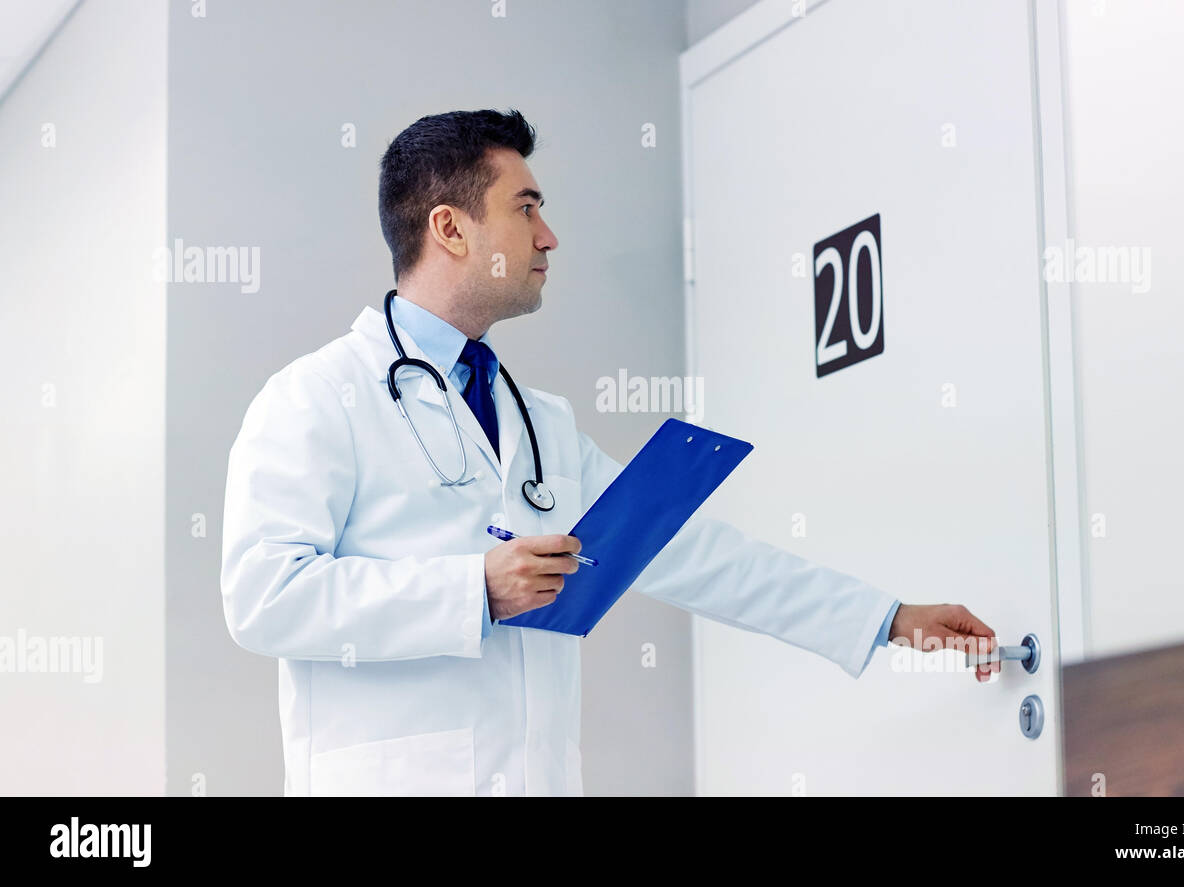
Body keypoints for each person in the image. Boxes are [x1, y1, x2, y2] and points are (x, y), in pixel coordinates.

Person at [220, 108, 1001, 797]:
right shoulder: (317, 398)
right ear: (451, 229)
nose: (548, 235)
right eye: (525, 208)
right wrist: (471, 591)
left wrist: (886, 618)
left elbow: (695, 555)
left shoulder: (540, 423)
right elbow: (263, 597)